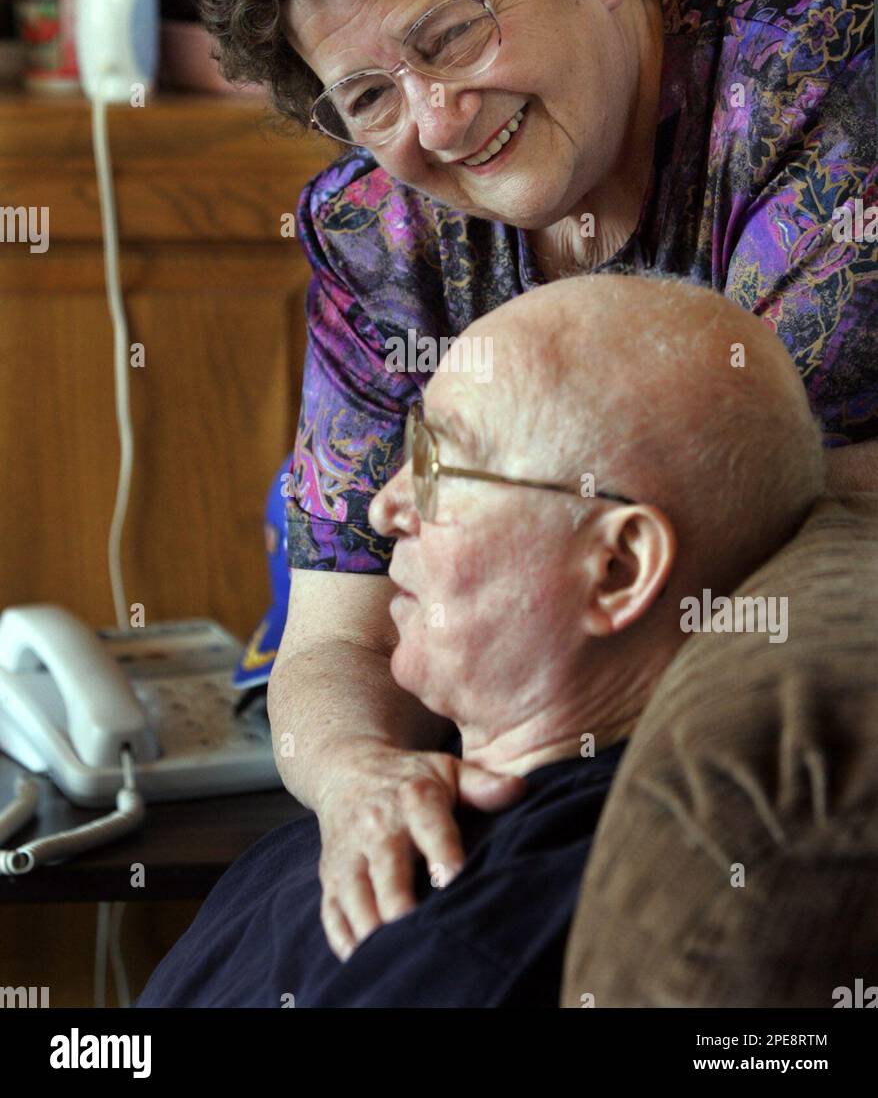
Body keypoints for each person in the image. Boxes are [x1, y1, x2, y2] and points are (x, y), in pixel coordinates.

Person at [186, 0, 876, 960]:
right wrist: (355, 778)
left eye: (450, 35)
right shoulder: (376, 215)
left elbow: (769, 519)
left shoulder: (827, 78)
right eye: (368, 95)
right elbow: (334, 628)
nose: (435, 121)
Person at [136, 273, 825, 1007]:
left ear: (616, 569)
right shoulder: (374, 817)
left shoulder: (492, 930)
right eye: (410, 449)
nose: (382, 508)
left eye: (440, 464)